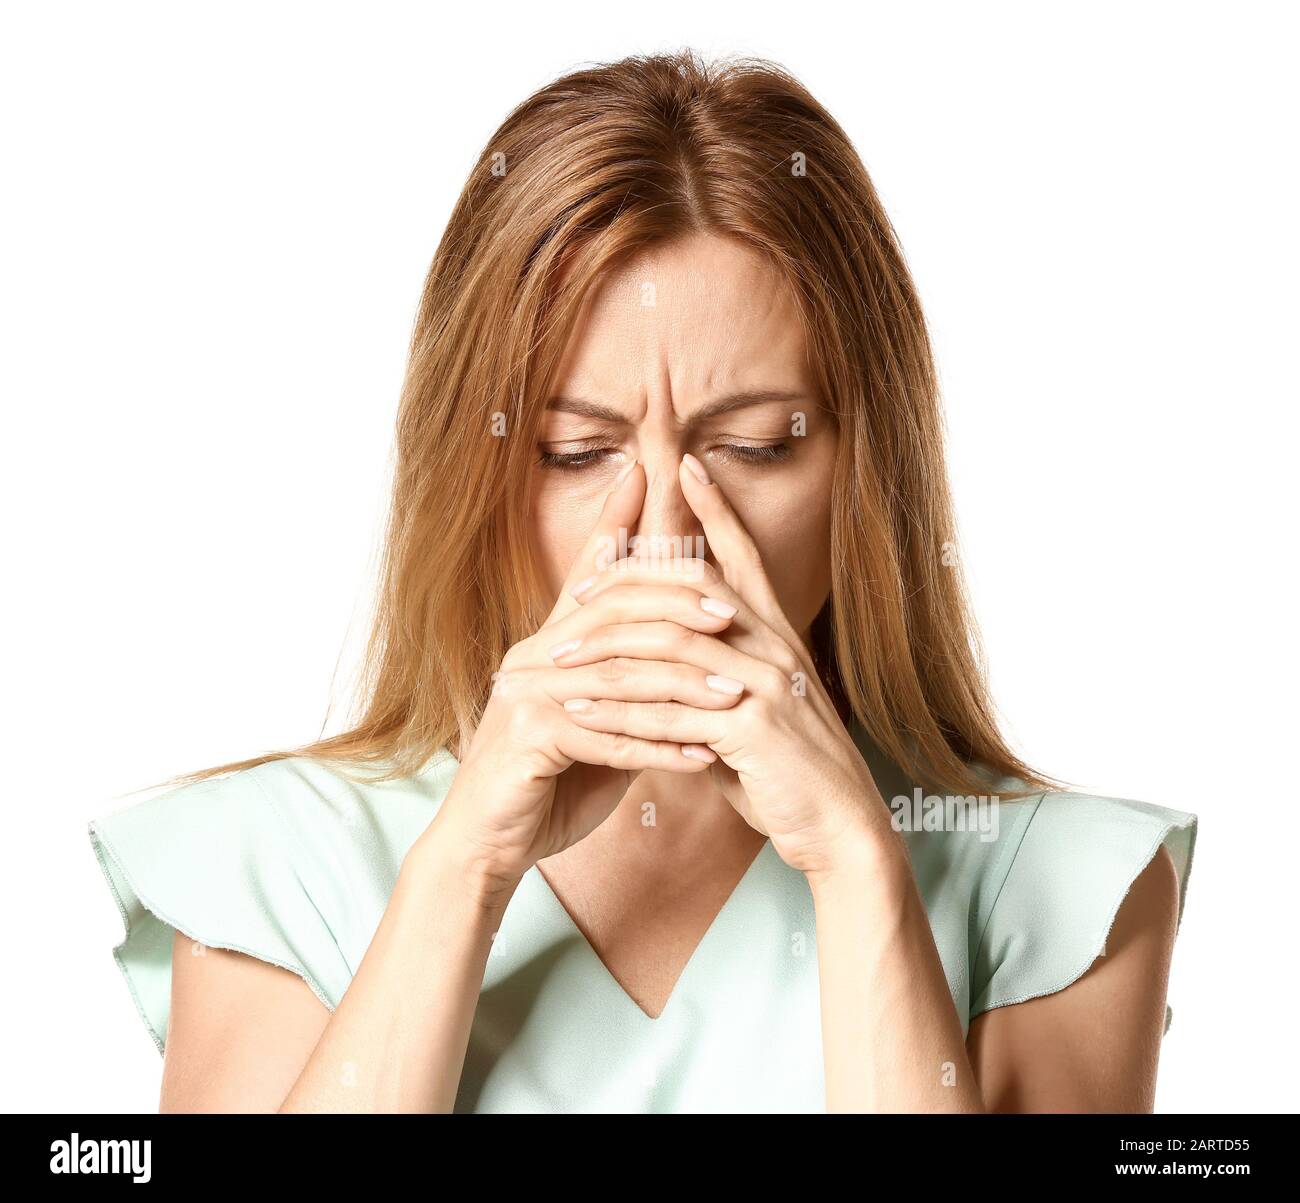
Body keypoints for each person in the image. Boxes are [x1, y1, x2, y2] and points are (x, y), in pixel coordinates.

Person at [87, 50, 1197, 1113]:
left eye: (756, 446)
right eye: (576, 453)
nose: (664, 535)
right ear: (472, 471)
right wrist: (464, 869)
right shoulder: (275, 864)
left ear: (867, 469)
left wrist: (858, 869)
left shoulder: (1061, 888)